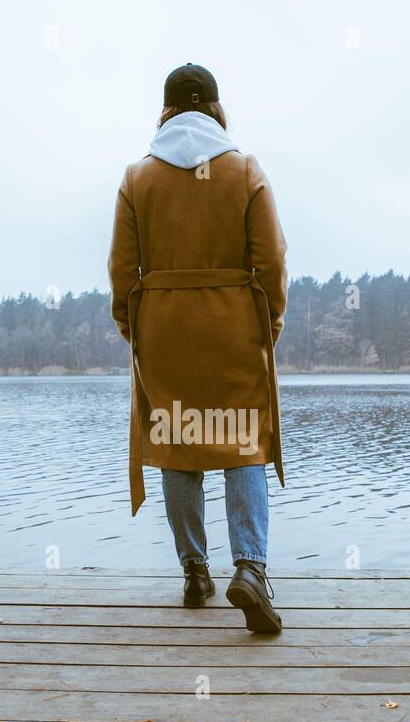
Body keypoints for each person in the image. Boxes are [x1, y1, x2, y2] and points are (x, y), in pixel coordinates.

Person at [108, 63, 288, 634]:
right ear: (216, 108)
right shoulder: (244, 170)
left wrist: (133, 329)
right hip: (234, 326)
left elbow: (121, 270)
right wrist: (268, 326)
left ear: (165, 111)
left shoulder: (138, 179)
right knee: (243, 442)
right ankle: (251, 568)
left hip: (163, 328)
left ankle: (193, 570)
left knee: (178, 443)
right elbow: (273, 261)